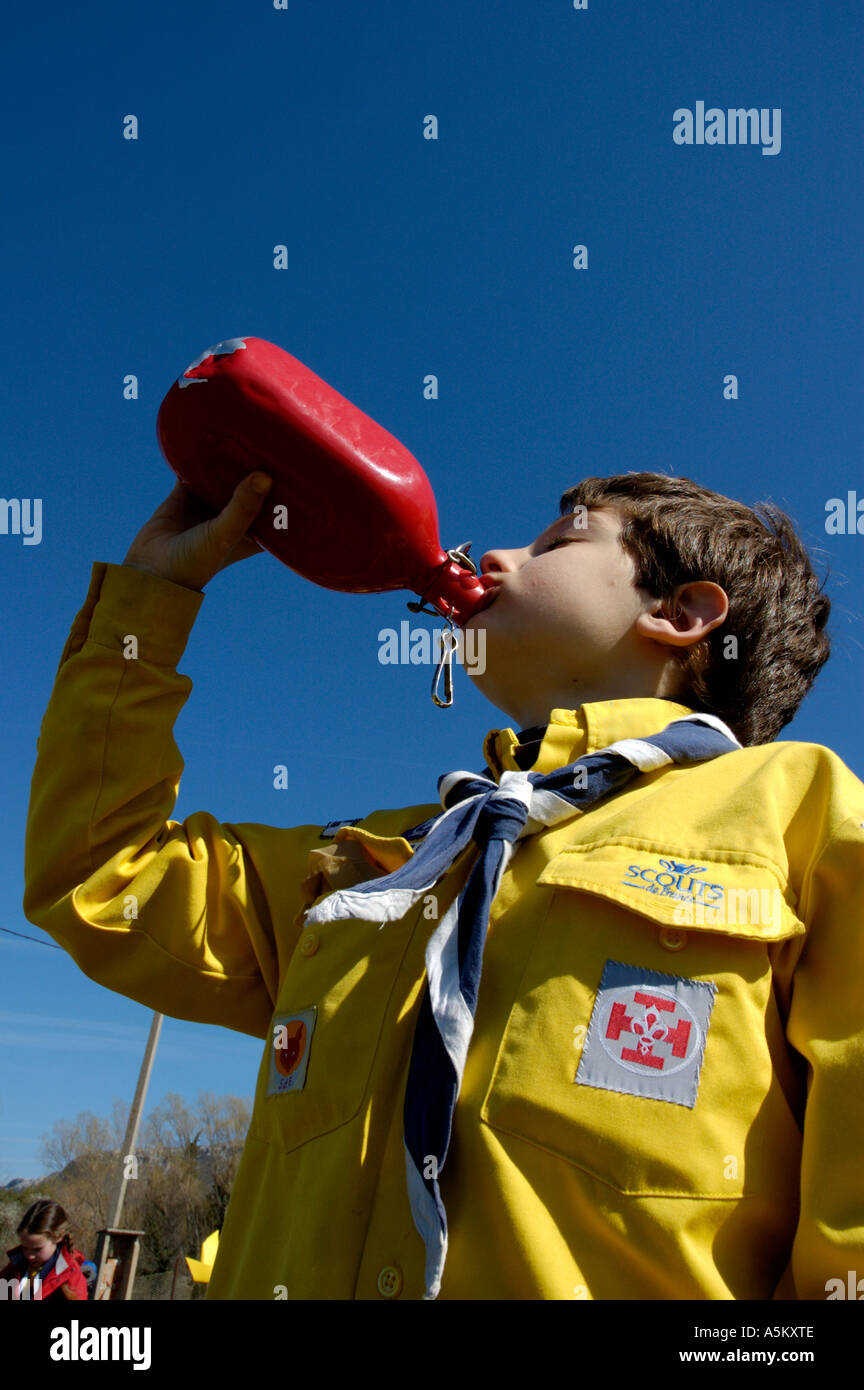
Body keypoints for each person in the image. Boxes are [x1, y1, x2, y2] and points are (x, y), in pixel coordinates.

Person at [21, 468, 864, 1300]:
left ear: (680, 614)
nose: (493, 557)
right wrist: (149, 601)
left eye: (557, 541)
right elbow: (100, 872)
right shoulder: (370, 858)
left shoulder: (800, 815)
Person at [0, 1199, 89, 1300]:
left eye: (37, 1249)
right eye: (25, 1248)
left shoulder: (71, 1277)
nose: (30, 1255)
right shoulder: (16, 1266)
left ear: (58, 1237)